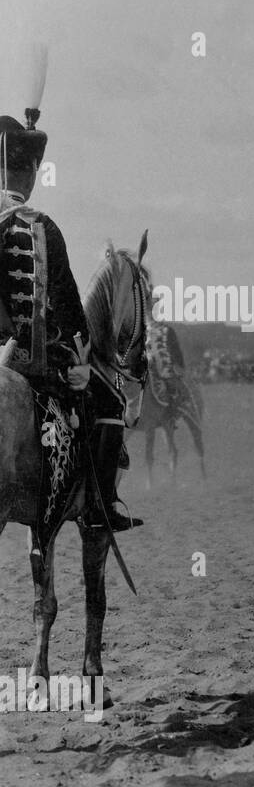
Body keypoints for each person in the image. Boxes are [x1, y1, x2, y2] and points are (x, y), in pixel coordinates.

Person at [0, 104, 142, 531]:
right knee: (110, 400)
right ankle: (102, 507)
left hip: (2, 355)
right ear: (28, 175)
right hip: (39, 360)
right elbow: (67, 304)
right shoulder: (40, 225)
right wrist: (80, 361)